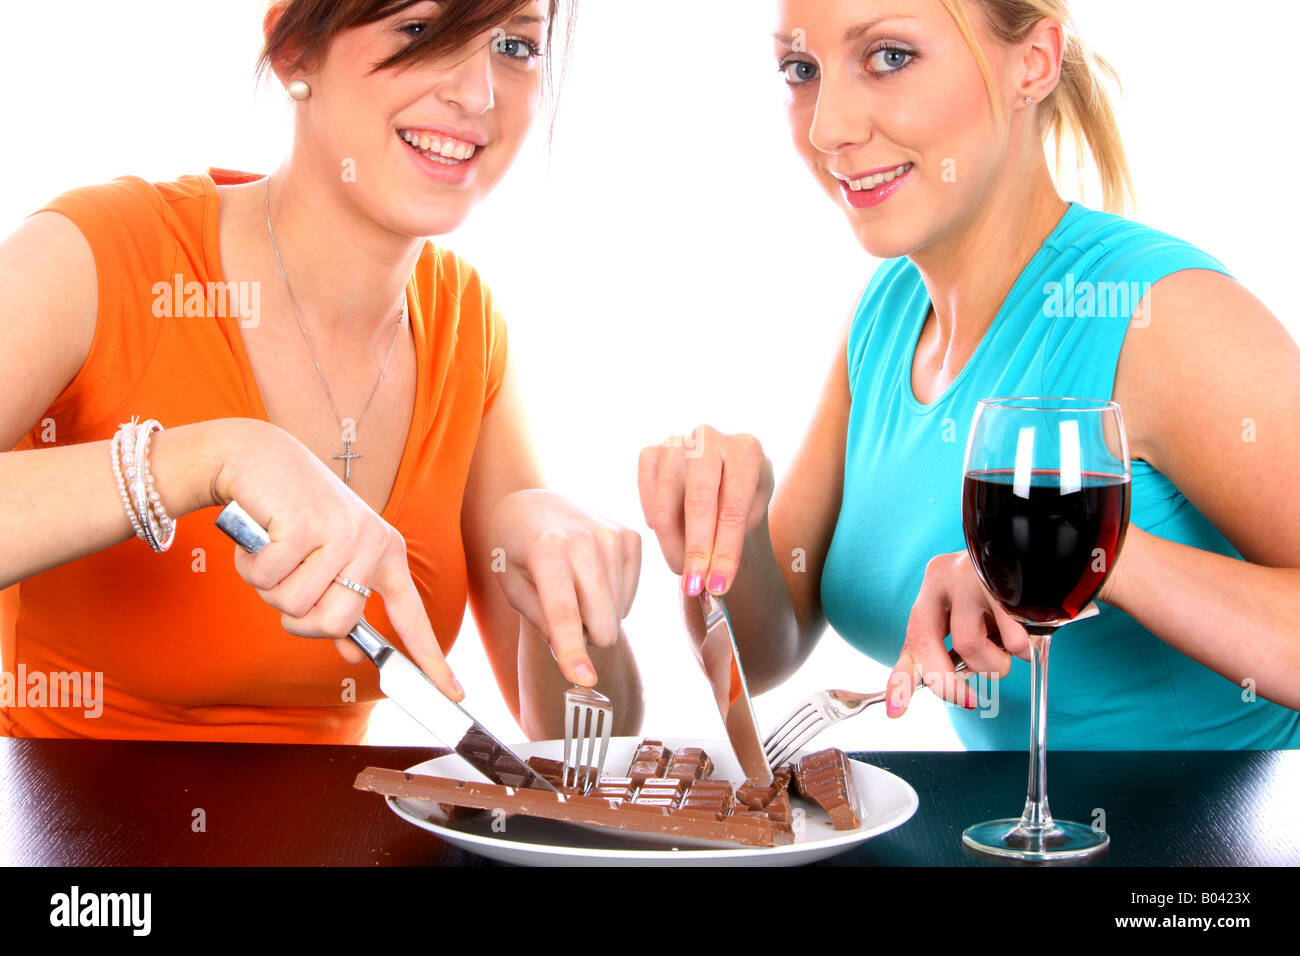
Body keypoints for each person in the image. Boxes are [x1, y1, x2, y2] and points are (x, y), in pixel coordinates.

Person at [638, 0, 1300, 749]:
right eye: (801, 70)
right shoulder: (887, 315)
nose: (829, 129)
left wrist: (1089, 549)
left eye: (889, 56)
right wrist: (733, 525)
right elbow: (764, 651)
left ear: (1034, 63)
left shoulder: (1162, 315)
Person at [0, 0, 645, 744]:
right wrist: (213, 458)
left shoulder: (468, 327)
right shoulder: (99, 255)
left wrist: (572, 595)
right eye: (419, 30)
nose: (477, 94)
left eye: (515, 47)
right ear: (293, 49)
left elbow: (582, 751)